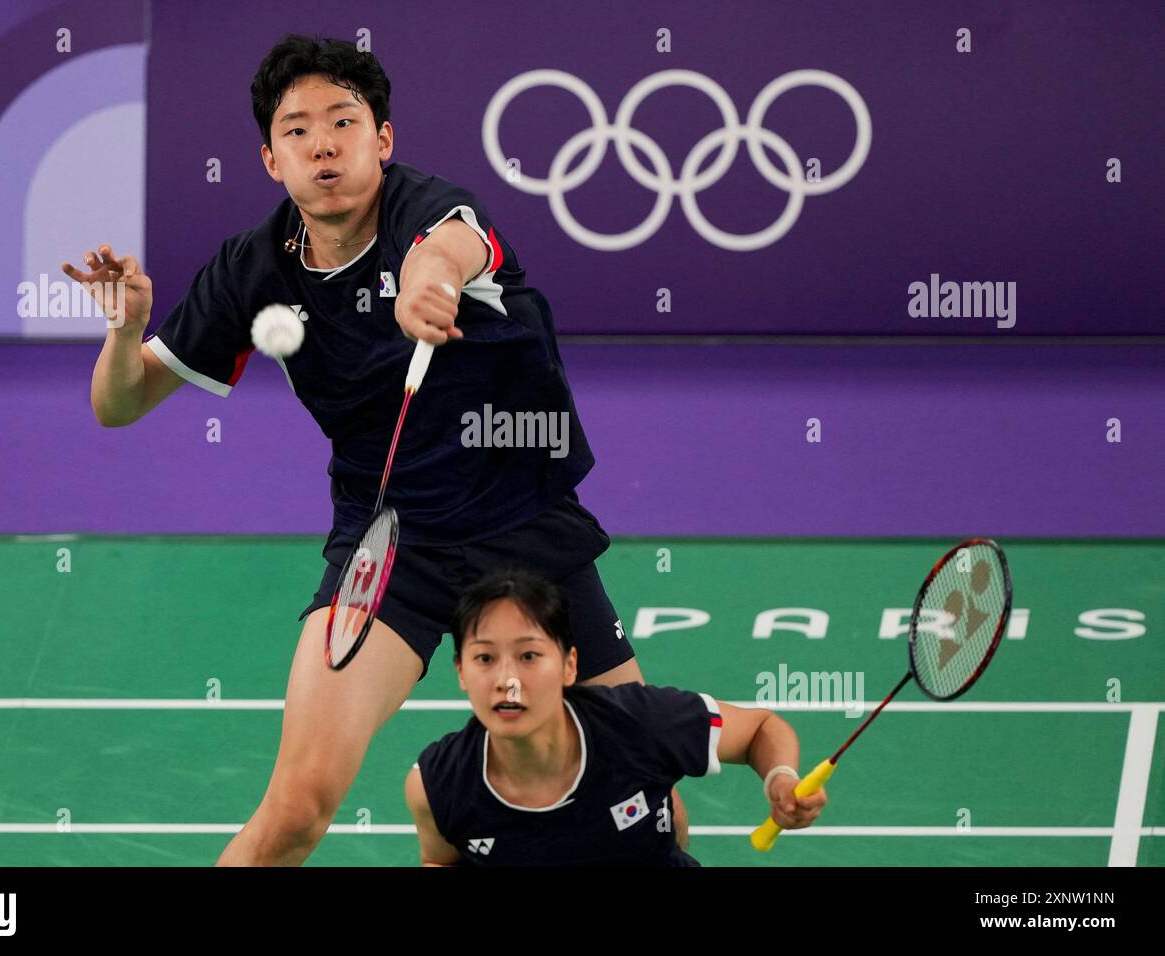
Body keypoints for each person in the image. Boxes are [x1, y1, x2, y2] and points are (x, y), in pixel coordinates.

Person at [65, 34, 689, 865]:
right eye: (298, 130)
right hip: (391, 543)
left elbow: (452, 246)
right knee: (293, 810)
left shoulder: (430, 211)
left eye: (343, 121)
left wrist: (427, 286)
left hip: (527, 527)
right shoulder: (253, 271)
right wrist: (126, 328)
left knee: (652, 803)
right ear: (270, 158)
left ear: (382, 140)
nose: (322, 143)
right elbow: (121, 402)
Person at [406, 568, 826, 865]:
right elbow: (440, 861)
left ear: (570, 665)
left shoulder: (642, 725)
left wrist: (781, 778)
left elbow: (758, 729)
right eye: (485, 658)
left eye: (529, 655)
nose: (507, 681)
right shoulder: (439, 784)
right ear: (460, 671)